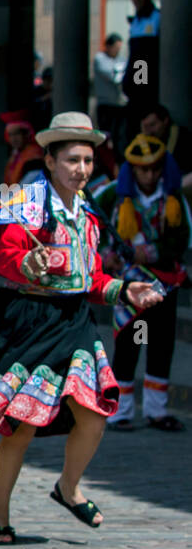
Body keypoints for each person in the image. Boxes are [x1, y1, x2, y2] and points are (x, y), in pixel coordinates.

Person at [0, 112, 162, 544]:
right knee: (21, 424)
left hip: (75, 323)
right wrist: (26, 264)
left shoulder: (89, 215)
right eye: (72, 160)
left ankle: (68, 488)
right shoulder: (27, 208)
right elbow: (6, 258)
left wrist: (126, 291)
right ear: (50, 161)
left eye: (88, 161)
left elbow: (88, 279)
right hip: (31, 321)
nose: (82, 170)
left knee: (94, 416)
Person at [94, 133, 190, 432]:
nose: (148, 175)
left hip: (163, 283)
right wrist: (105, 255)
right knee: (128, 343)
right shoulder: (110, 195)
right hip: (127, 283)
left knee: (161, 344)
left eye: (154, 169)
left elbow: (180, 240)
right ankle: (120, 412)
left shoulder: (174, 198)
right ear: (132, 168)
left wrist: (147, 252)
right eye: (142, 169)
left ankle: (156, 410)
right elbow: (92, 228)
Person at [124, 0, 160, 138]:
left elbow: (143, 61)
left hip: (147, 87)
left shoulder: (157, 18)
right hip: (137, 86)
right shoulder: (135, 22)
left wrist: (139, 84)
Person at [137, 102, 192, 190]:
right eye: (145, 126)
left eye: (152, 125)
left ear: (165, 121)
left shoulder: (184, 138)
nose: (149, 131)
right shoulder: (144, 139)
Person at [94, 33, 126, 146]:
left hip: (119, 104)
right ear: (108, 46)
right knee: (104, 136)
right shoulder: (100, 59)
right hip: (105, 104)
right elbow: (114, 77)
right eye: (115, 48)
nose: (117, 51)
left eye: (119, 49)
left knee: (119, 136)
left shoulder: (121, 59)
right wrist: (122, 72)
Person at [1, 112, 44, 187]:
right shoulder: (15, 154)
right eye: (10, 135)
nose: (13, 139)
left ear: (26, 134)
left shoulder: (34, 156)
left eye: (17, 134)